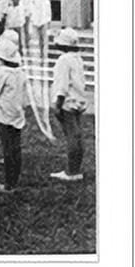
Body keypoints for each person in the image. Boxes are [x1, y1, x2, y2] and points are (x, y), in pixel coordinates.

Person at [0, 38, 29, 194]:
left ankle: (9, 184)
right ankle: (14, 180)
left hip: (4, 114)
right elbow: (24, 97)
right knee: (15, 148)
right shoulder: (21, 73)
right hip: (17, 113)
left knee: (8, 150)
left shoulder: (2, 73)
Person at [50, 28, 88, 182]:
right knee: (77, 136)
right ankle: (75, 169)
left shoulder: (63, 60)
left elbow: (62, 85)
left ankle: (72, 171)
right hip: (78, 101)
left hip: (67, 102)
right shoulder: (77, 59)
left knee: (72, 136)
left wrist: (57, 104)